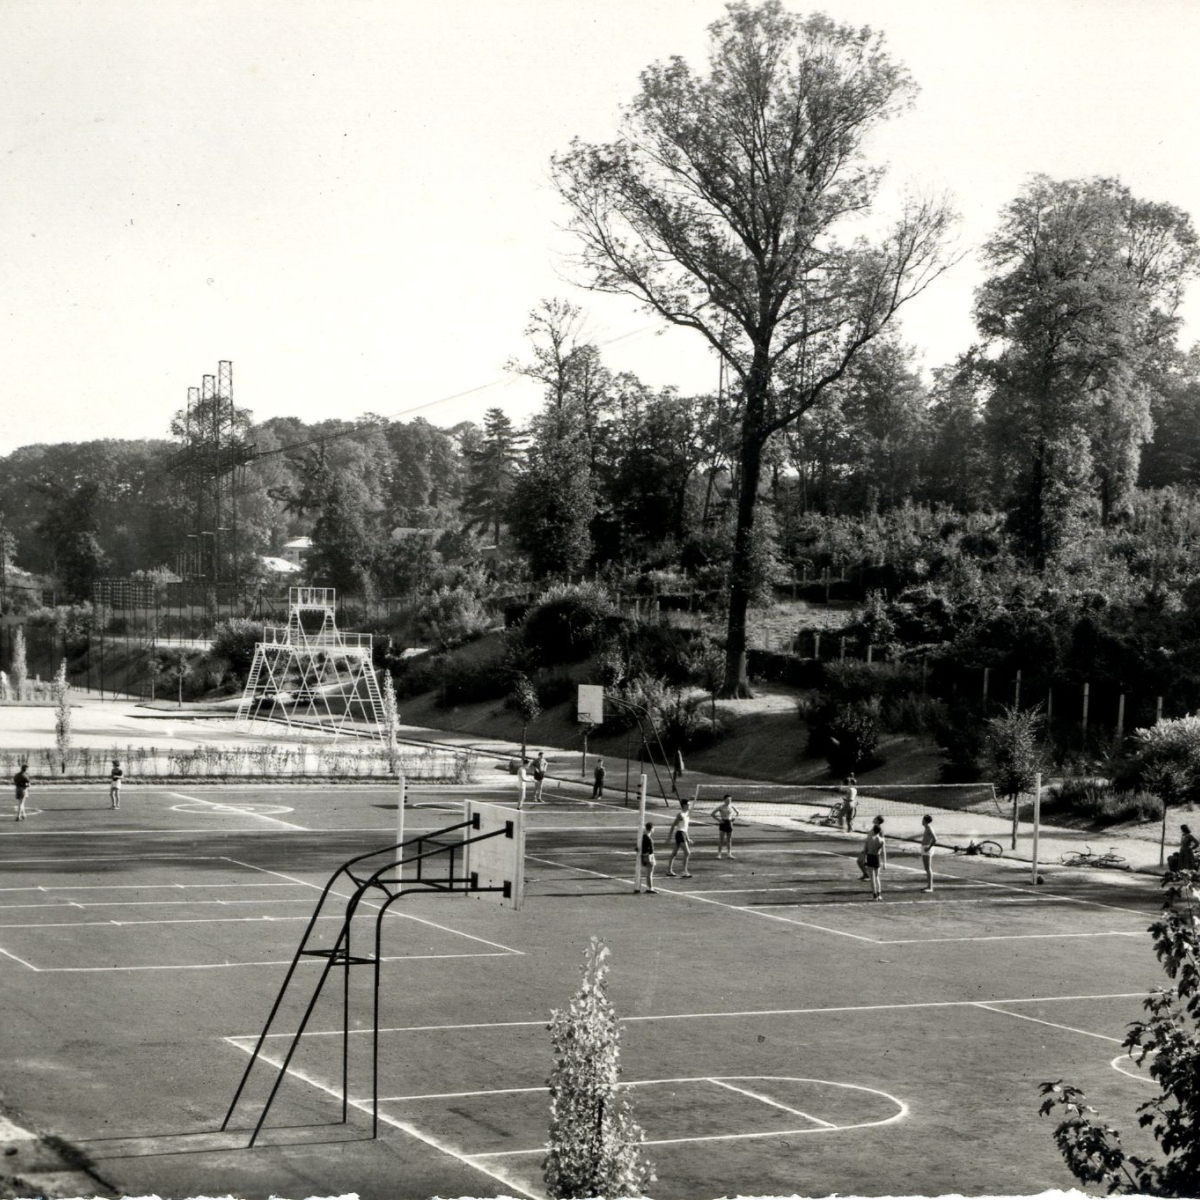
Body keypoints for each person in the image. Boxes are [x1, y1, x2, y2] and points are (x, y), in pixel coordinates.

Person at [666, 798, 693, 878]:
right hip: (680, 834)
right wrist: (669, 837)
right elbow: (673, 825)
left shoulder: (687, 814)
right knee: (687, 852)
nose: (689, 806)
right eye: (688, 804)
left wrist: (688, 838)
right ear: (684, 805)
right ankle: (684, 871)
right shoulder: (680, 815)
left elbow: (686, 828)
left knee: (674, 853)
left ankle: (669, 870)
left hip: (683, 833)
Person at [863, 817, 887, 900]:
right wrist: (885, 863)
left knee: (872, 878)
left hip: (870, 856)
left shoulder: (869, 839)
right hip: (877, 858)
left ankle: (874, 895)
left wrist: (864, 859)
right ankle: (879, 894)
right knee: (877, 877)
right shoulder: (882, 840)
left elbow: (865, 850)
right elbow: (883, 852)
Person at [710, 793, 740, 858]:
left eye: (730, 800)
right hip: (723, 823)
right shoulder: (721, 807)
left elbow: (737, 813)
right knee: (721, 840)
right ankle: (719, 854)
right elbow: (712, 814)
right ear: (724, 800)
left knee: (729, 839)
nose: (729, 801)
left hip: (729, 823)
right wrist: (719, 820)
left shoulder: (732, 806)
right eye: (727, 799)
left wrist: (734, 818)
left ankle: (729, 853)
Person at [857, 815, 883, 879]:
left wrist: (877, 850)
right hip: (867, 848)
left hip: (871, 850)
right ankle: (866, 874)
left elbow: (881, 841)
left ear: (877, 821)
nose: (873, 819)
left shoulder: (879, 829)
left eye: (875, 818)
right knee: (860, 861)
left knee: (862, 861)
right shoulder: (874, 827)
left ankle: (869, 875)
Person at [920, 814, 938, 892]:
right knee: (926, 868)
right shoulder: (926, 828)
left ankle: (930, 887)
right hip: (925, 848)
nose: (922, 821)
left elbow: (935, 839)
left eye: (923, 820)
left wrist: (929, 847)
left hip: (927, 849)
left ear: (925, 821)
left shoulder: (929, 828)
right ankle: (928, 886)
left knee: (928, 868)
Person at [638, 821, 657, 893]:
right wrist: (652, 860)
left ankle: (648, 887)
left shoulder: (642, 836)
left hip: (643, 856)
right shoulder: (649, 839)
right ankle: (650, 888)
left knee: (648, 874)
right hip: (648, 856)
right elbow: (651, 851)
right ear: (651, 829)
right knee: (650, 874)